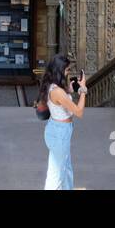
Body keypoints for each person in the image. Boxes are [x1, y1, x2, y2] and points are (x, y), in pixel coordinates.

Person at [37, 54, 86, 190]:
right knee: (56, 175)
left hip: (59, 130)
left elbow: (60, 101)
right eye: (66, 70)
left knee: (66, 169)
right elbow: (79, 112)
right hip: (60, 133)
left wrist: (69, 90)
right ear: (59, 70)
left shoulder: (53, 86)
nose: (68, 72)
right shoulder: (57, 91)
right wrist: (83, 90)